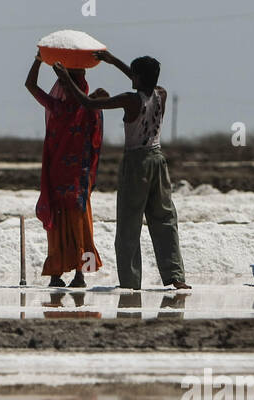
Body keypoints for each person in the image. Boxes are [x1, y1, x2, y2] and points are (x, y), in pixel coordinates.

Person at [51, 50, 190, 291]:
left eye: (133, 75)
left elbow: (89, 103)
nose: (131, 78)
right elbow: (143, 81)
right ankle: (175, 276)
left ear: (137, 78)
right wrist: (113, 61)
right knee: (165, 220)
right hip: (158, 161)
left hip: (136, 163)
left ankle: (130, 281)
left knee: (129, 223)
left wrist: (65, 79)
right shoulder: (161, 94)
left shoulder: (130, 99)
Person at [24, 53, 107, 287]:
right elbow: (96, 144)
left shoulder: (59, 107)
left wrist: (39, 60)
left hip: (61, 177)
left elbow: (30, 85)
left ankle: (56, 274)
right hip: (78, 180)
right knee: (78, 223)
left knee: (59, 224)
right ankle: (78, 274)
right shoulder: (91, 108)